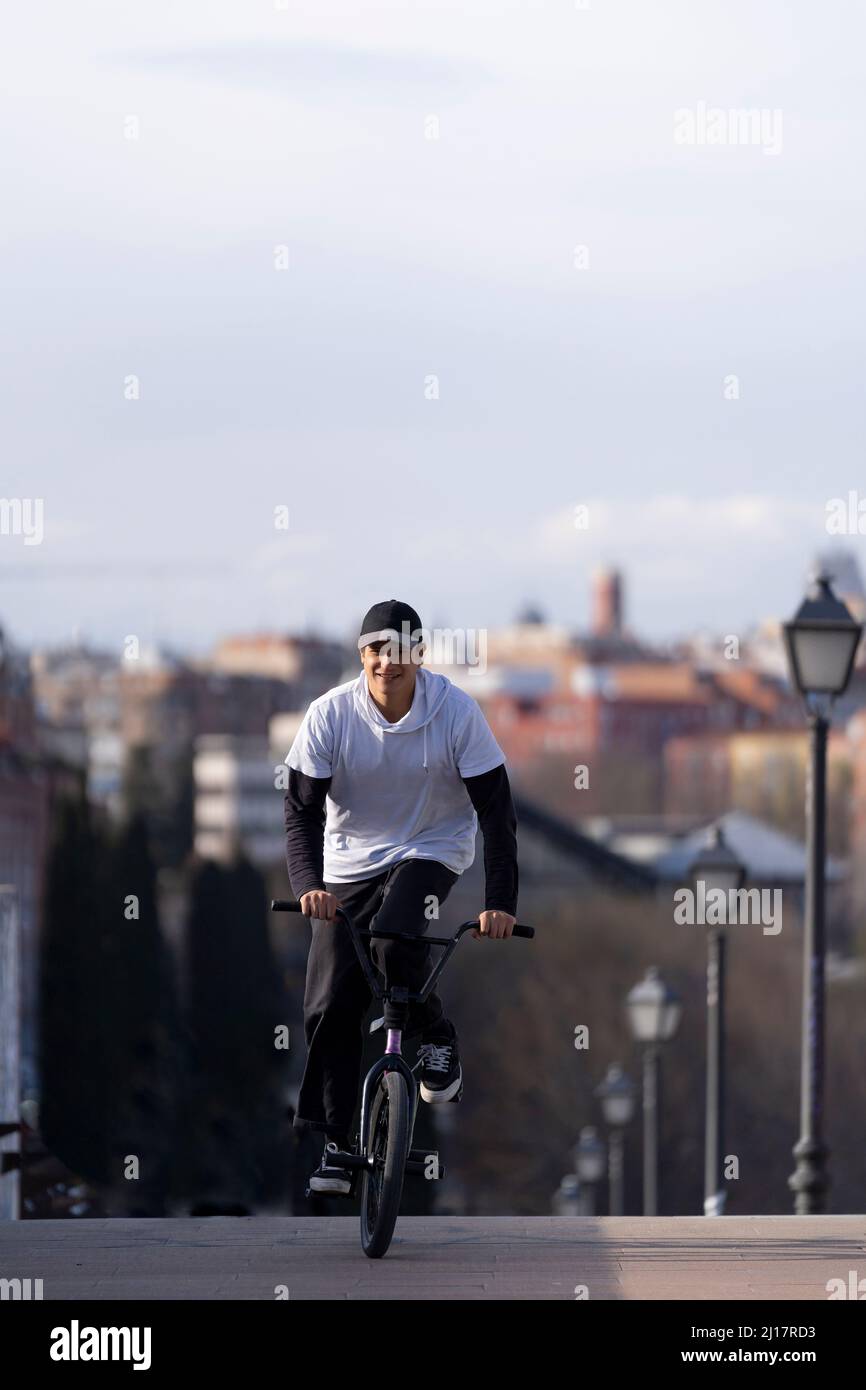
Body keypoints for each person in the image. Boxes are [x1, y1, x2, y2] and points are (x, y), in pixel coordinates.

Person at [284, 599, 519, 1193]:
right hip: (348, 860)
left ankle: (435, 1035)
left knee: (396, 933)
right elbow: (300, 812)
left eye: (397, 650)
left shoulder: (456, 713)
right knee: (329, 1004)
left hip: (433, 847)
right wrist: (309, 886)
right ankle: (338, 1146)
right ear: (360, 656)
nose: (385, 663)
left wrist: (501, 902)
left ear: (419, 654)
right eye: (373, 651)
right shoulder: (329, 715)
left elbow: (496, 814)